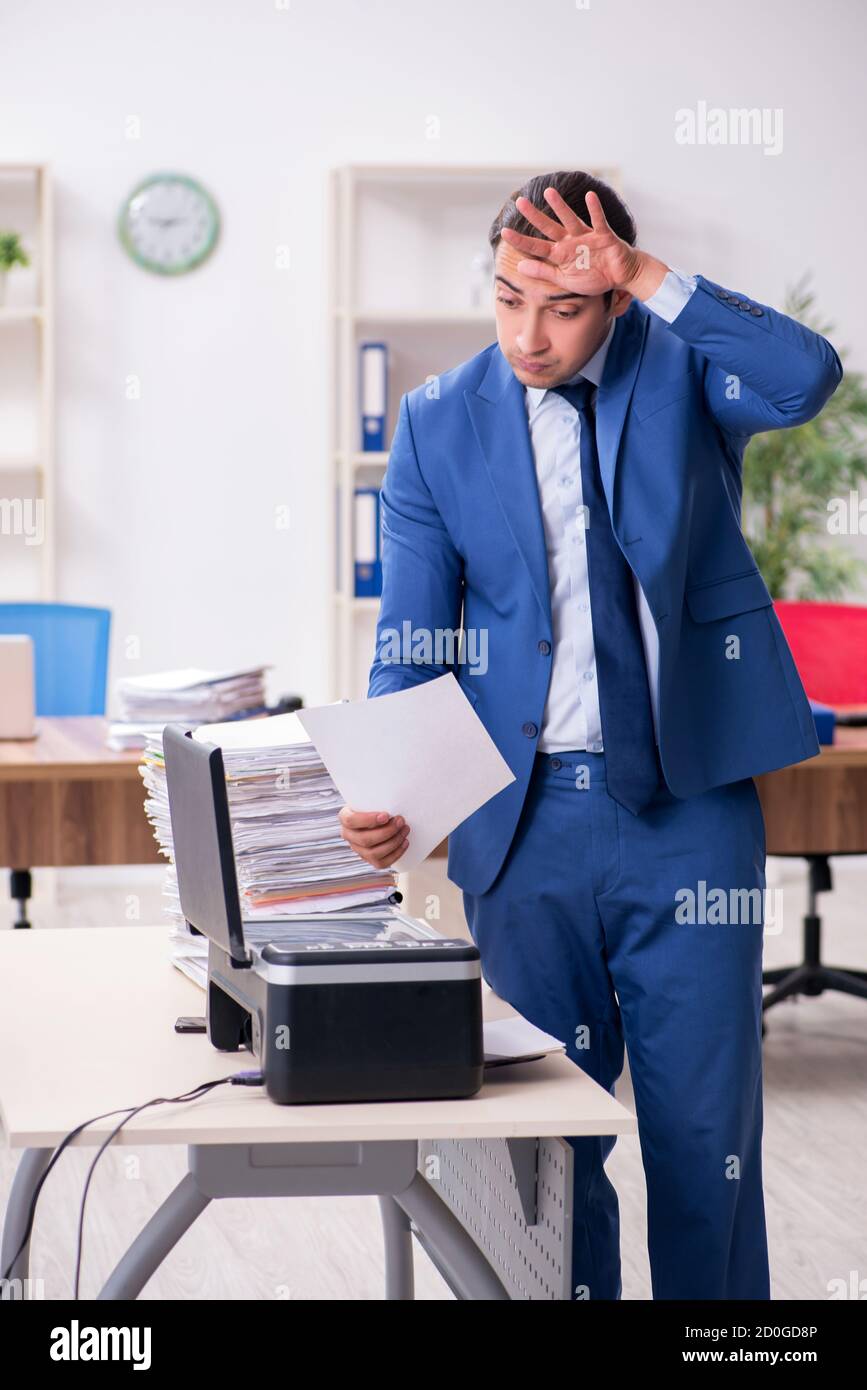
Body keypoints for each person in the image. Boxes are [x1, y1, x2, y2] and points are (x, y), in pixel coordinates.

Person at [339, 170, 842, 1299]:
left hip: (688, 817)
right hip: (523, 832)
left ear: (612, 295)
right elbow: (411, 635)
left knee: (706, 1143)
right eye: (510, 298)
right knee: (541, 1156)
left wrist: (653, 280)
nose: (530, 333)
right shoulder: (437, 423)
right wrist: (391, 796)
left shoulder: (685, 375)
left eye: (563, 306)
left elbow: (808, 378)